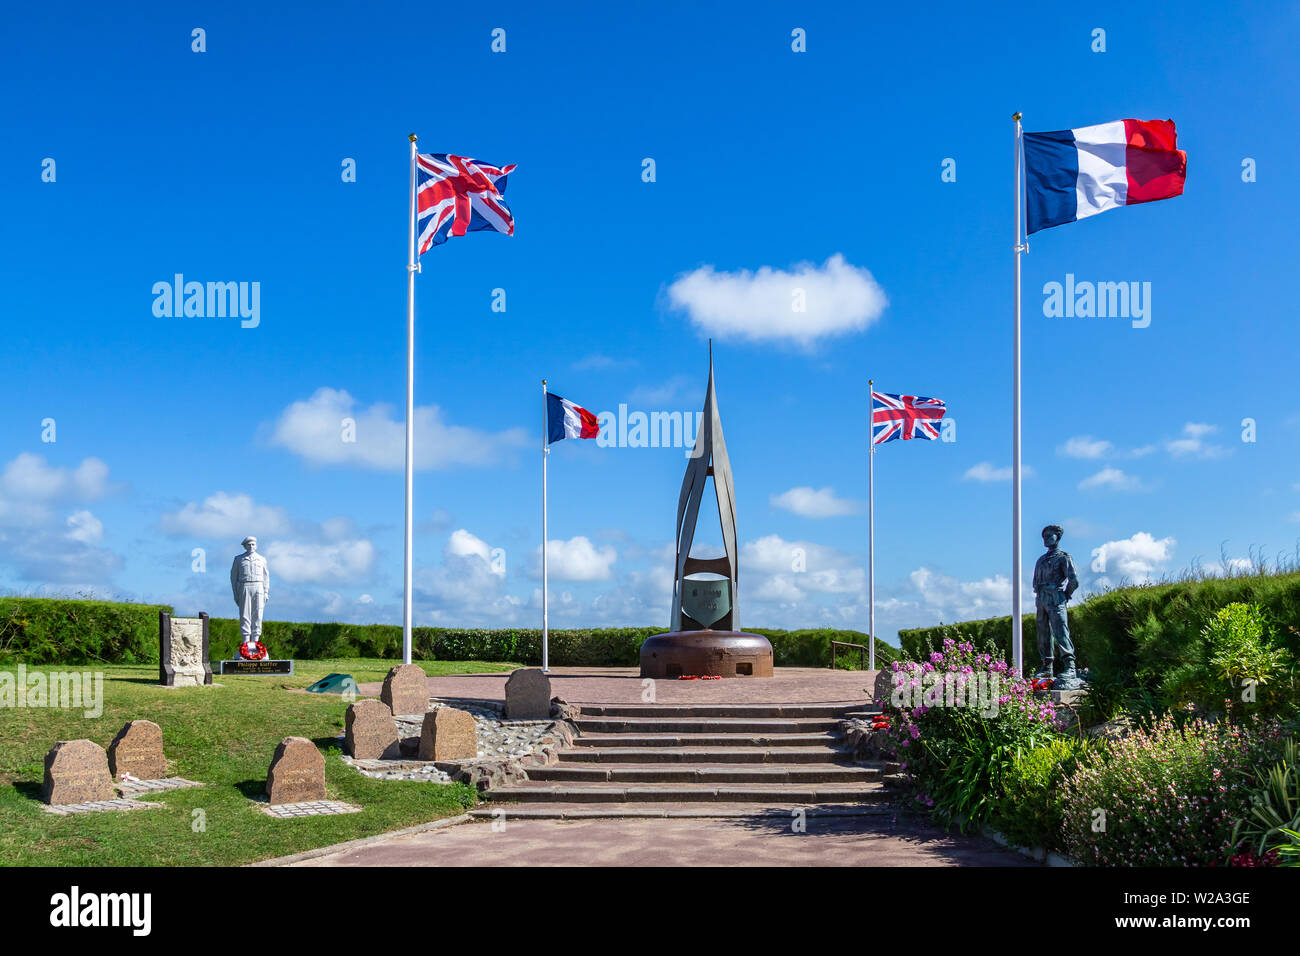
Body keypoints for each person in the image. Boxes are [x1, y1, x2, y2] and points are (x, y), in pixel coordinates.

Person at [1031, 524, 1081, 690]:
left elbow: (1073, 580)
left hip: (1056, 597)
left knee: (1061, 632)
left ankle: (1070, 666)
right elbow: (1035, 583)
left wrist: (1065, 595)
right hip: (1042, 599)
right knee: (1043, 633)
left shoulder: (1063, 557)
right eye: (1044, 536)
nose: (1046, 539)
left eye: (1049, 536)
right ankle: (1047, 667)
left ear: (1057, 537)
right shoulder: (1041, 560)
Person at [230, 535, 270, 658]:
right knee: (245, 615)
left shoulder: (261, 559)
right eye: (249, 544)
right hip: (245, 586)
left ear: (256, 545)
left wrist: (266, 591)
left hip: (258, 587)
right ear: (245, 546)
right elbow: (233, 577)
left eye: (253, 544)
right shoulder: (239, 559)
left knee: (258, 615)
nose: (251, 546)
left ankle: (257, 645)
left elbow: (265, 576)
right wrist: (236, 593)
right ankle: (245, 645)